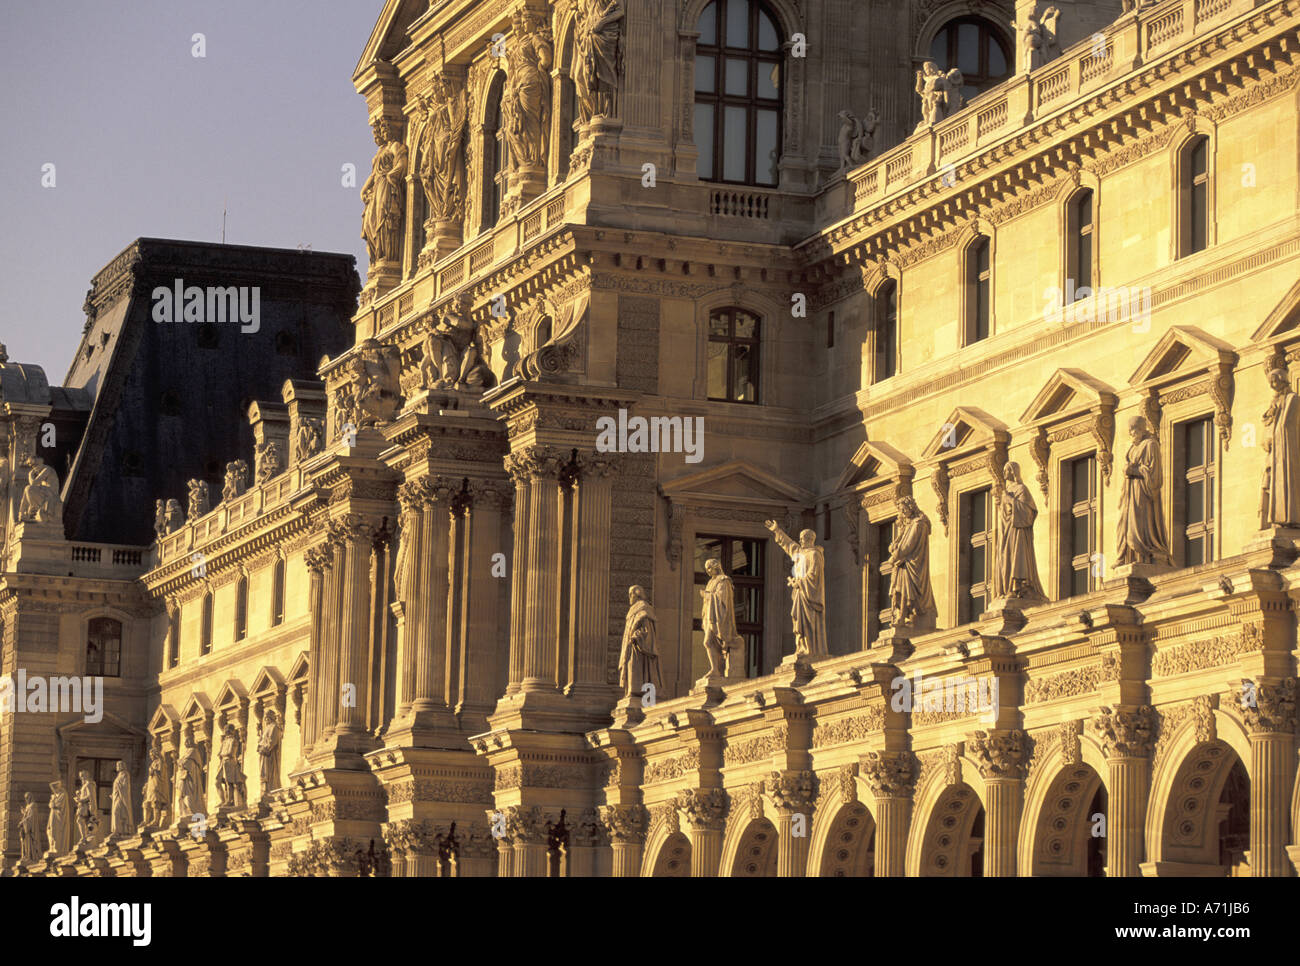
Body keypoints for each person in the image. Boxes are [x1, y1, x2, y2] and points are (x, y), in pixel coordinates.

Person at [765, 520, 828, 656]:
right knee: (797, 620)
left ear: (810, 539)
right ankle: (801, 647)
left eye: (803, 539)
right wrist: (777, 531)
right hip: (800, 593)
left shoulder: (814, 554)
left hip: (808, 595)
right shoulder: (801, 554)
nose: (800, 541)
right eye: (800, 539)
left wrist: (799, 583)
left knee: (808, 621)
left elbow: (814, 575)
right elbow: (789, 546)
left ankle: (810, 648)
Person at [1116, 415, 1171, 565]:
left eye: (1134, 430)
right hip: (1130, 492)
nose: (1132, 433)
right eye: (1130, 430)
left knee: (1137, 527)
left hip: (1142, 493)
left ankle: (1143, 554)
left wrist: (1134, 471)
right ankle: (1128, 556)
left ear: (1141, 429)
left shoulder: (1150, 445)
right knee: (1124, 526)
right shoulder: (1133, 447)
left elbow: (1154, 474)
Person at [700, 558, 744, 677]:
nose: (708, 571)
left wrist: (707, 595)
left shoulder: (723, 581)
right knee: (709, 642)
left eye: (709, 567)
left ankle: (715, 669)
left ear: (716, 566)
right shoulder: (711, 582)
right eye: (706, 569)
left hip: (718, 617)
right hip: (710, 615)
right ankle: (715, 669)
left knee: (708, 642)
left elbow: (721, 599)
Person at [617, 586, 661, 698]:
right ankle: (632, 691)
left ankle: (639, 693)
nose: (629, 597)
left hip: (639, 647)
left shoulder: (644, 609)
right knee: (631, 666)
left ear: (637, 595)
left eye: (631, 594)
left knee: (637, 668)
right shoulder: (632, 611)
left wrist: (636, 637)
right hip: (631, 646)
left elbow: (647, 631)